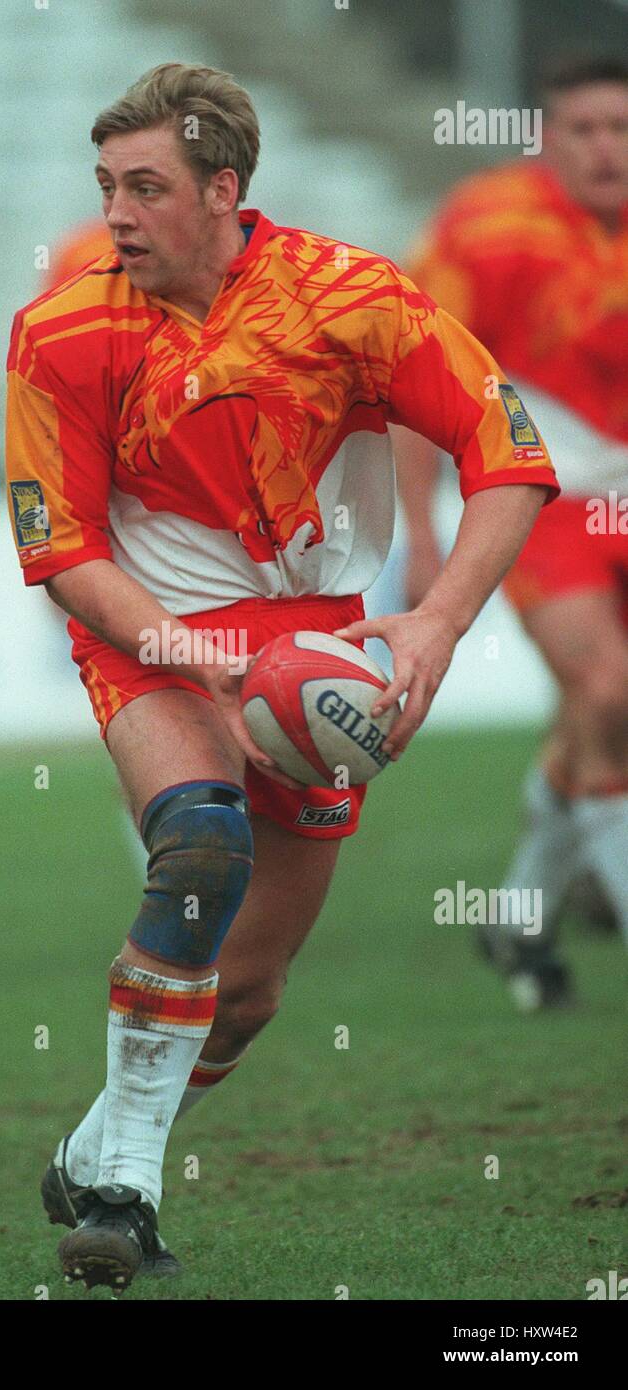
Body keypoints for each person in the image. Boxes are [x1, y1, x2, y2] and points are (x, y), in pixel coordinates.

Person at [5, 62, 558, 1294]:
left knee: (244, 992)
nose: (118, 214)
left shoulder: (352, 297)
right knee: (199, 846)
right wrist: (200, 654)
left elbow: (508, 453)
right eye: (105, 187)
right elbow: (62, 553)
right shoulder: (62, 327)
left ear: (224, 188)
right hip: (147, 632)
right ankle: (125, 1199)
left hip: (319, 650)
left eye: (145, 188)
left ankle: (97, 1147)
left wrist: (431, 629)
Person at [394, 56, 628, 1010]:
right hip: (544, 503)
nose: (606, 148)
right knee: (609, 694)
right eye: (584, 129)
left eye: (621, 127)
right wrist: (419, 528)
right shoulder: (486, 229)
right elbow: (414, 381)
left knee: (593, 724)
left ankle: (519, 920)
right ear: (545, 137)